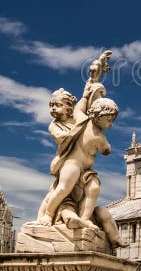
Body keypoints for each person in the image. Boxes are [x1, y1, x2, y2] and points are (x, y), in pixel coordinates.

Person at [37, 96, 118, 226]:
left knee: (94, 188)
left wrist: (86, 97)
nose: (111, 124)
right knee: (63, 189)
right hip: (72, 164)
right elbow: (106, 150)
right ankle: (48, 214)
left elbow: (79, 107)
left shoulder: (81, 119)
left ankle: (84, 218)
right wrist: (107, 147)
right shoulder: (100, 138)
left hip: (85, 171)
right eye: (109, 120)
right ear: (98, 117)